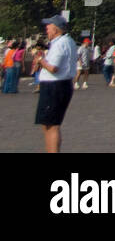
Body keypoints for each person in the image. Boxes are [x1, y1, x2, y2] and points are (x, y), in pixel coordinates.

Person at [32, 15, 77, 153]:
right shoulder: (67, 41)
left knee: (51, 125)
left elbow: (53, 68)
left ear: (56, 28)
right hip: (60, 85)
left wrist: (40, 60)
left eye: (48, 26)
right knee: (48, 124)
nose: (46, 29)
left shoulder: (60, 43)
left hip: (54, 86)